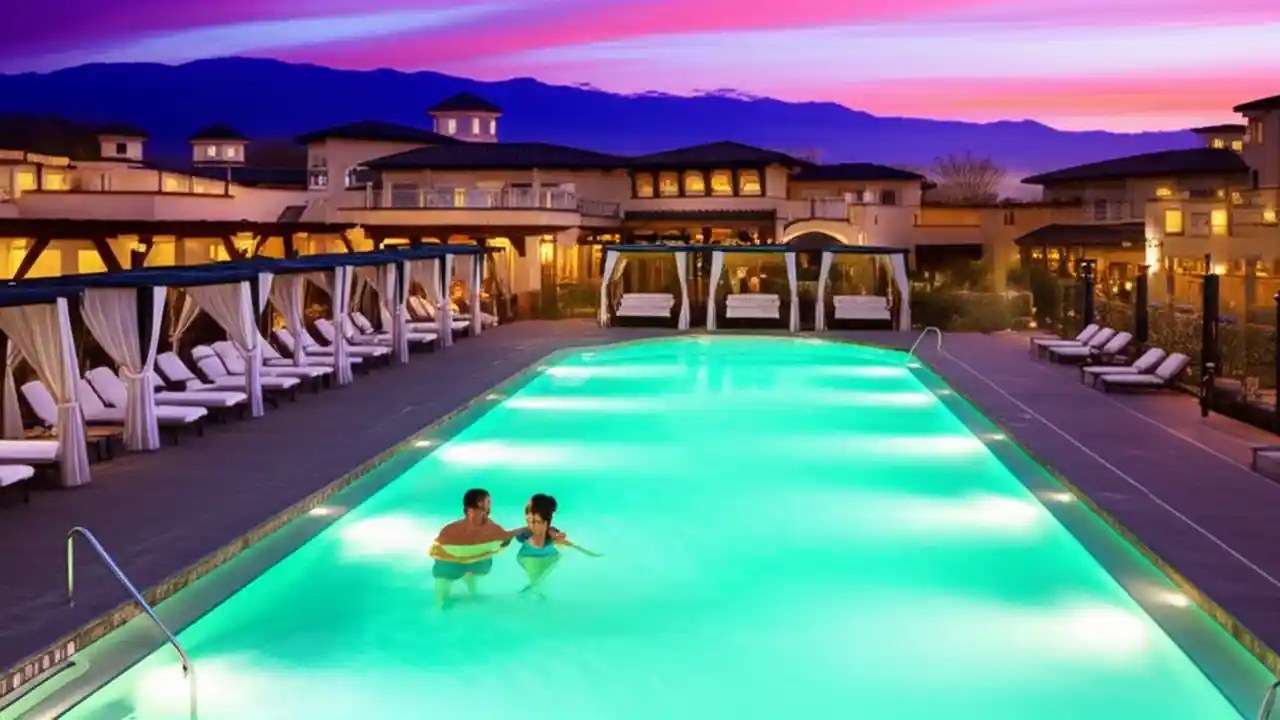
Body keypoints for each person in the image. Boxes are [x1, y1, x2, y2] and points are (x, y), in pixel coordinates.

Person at [430, 488, 526, 609]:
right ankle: (466, 593)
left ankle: (448, 602)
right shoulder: (490, 529)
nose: (490, 505)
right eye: (488, 501)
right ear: (480, 504)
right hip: (466, 564)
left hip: (457, 563)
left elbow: (439, 549)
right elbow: (504, 538)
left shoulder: (450, 530)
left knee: (445, 584)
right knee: (455, 578)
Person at [514, 494, 600, 600]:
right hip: (531, 556)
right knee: (537, 580)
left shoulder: (550, 531)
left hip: (548, 557)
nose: (529, 520)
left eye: (536, 520)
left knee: (537, 580)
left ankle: (533, 591)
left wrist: (560, 538)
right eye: (528, 516)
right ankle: (534, 591)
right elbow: (510, 537)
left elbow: (557, 536)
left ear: (545, 521)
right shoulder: (525, 533)